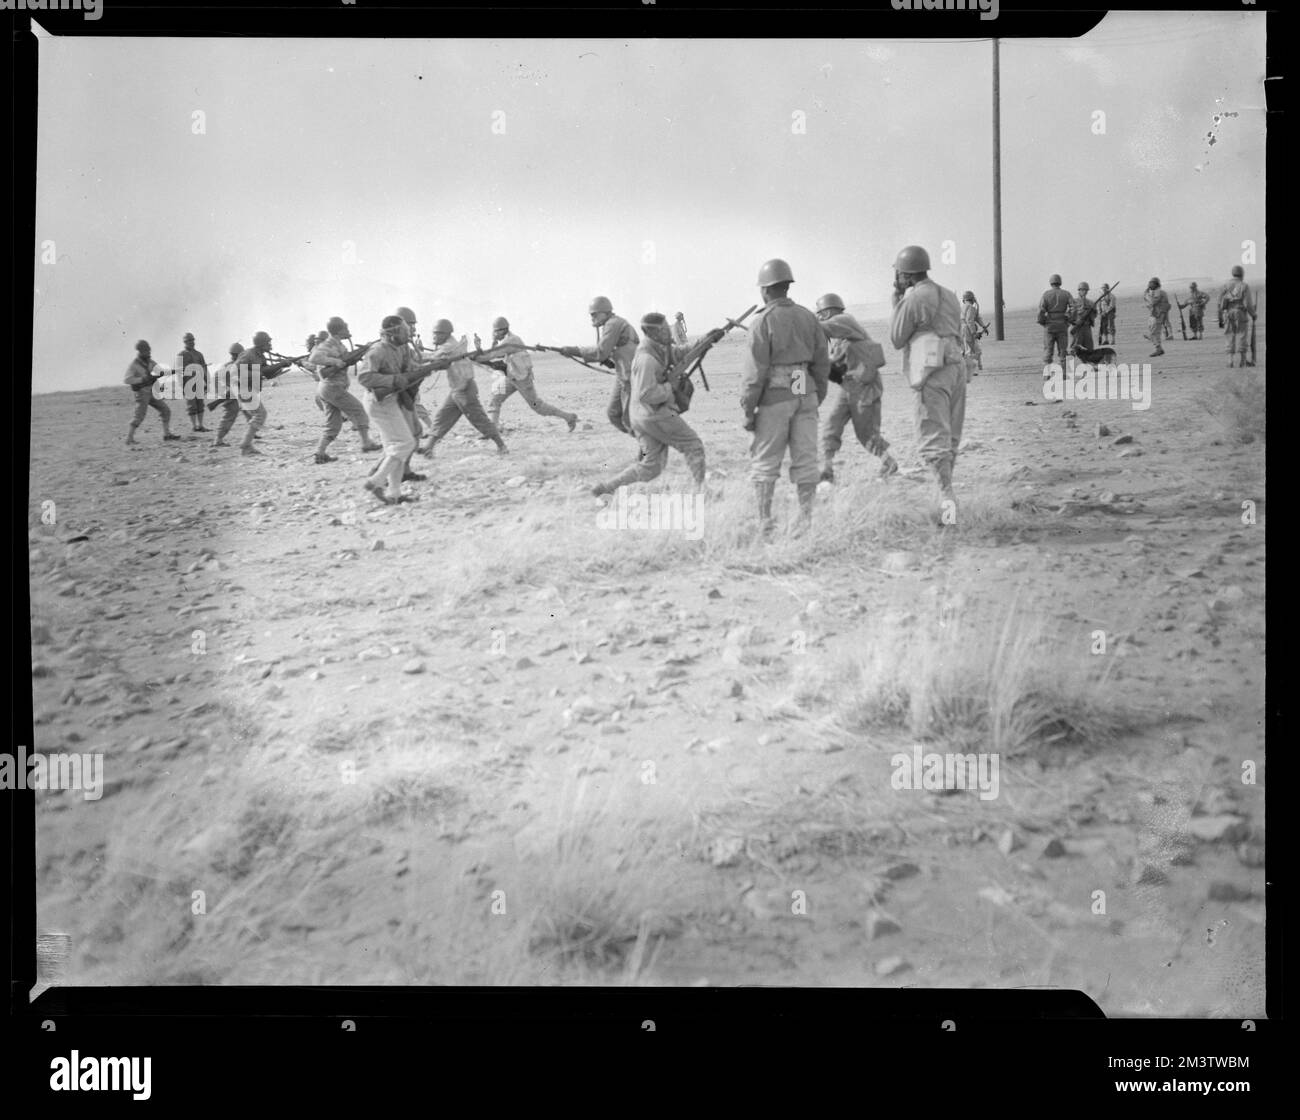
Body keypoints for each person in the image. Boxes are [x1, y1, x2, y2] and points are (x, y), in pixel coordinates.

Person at [741, 258, 830, 536]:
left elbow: (755, 375)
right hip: (804, 388)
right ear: (787, 286)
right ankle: (805, 520)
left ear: (765, 290)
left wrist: (748, 411)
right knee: (805, 458)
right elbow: (821, 363)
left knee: (766, 460)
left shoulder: (762, 322)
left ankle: (765, 522)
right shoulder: (808, 316)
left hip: (775, 396)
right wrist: (814, 397)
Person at [590, 313, 720, 496]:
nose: (669, 330)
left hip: (642, 417)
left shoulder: (658, 348)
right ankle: (702, 491)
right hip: (655, 413)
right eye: (665, 328)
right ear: (654, 332)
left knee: (651, 468)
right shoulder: (646, 359)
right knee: (693, 445)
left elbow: (679, 354)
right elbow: (646, 394)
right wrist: (670, 387)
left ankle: (607, 488)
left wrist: (705, 341)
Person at [889, 244, 966, 526]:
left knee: (933, 438)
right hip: (956, 368)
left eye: (898, 273)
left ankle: (946, 504)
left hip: (932, 371)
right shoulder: (949, 296)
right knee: (950, 437)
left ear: (907, 275)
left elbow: (897, 339)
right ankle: (945, 497)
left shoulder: (914, 298)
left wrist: (896, 302)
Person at [357, 316, 443, 503]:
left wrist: (429, 366)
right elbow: (364, 378)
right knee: (406, 444)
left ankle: (394, 494)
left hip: (392, 399)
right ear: (393, 333)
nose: (408, 333)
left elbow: (410, 367)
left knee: (393, 448)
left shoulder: (402, 348)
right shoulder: (377, 351)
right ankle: (376, 481)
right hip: (378, 402)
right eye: (404, 331)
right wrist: (393, 380)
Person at [814, 292, 897, 482]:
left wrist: (797, 322)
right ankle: (827, 469)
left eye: (820, 313)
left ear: (828, 311)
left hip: (865, 387)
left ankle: (888, 462)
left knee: (865, 432)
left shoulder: (844, 320)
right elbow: (836, 365)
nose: (818, 316)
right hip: (849, 387)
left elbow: (818, 327)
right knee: (831, 426)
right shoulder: (842, 336)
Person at [555, 297, 639, 435]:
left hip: (630, 375)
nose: (592, 318)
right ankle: (646, 445)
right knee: (613, 413)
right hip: (623, 374)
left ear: (604, 312)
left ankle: (648, 449)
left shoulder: (613, 324)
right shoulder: (614, 323)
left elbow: (600, 352)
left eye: (594, 314)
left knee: (629, 419)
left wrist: (573, 351)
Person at [423, 318, 508, 455]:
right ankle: (429, 447)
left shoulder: (449, 346)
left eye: (436, 334)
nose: (434, 337)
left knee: (478, 418)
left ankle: (501, 446)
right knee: (442, 417)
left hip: (464, 389)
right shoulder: (449, 345)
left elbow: (433, 357)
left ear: (445, 334)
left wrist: (417, 356)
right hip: (457, 389)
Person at [307, 316, 383, 463]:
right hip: (332, 387)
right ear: (338, 330)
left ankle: (320, 453)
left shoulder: (339, 345)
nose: (348, 331)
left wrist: (363, 351)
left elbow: (347, 359)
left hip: (327, 389)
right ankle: (366, 443)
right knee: (359, 410)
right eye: (345, 328)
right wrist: (335, 361)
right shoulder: (328, 344)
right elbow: (314, 358)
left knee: (333, 424)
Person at [485, 316, 578, 434]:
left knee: (537, 406)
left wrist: (477, 356)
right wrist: (493, 342)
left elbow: (491, 355)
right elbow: (495, 354)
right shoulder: (506, 341)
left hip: (522, 380)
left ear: (503, 330)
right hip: (512, 376)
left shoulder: (511, 341)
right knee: (495, 399)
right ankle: (493, 430)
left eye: (496, 331)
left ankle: (569, 417)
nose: (494, 333)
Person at [124, 340, 178, 445]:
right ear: (140, 351)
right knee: (139, 416)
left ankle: (167, 434)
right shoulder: (134, 365)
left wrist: (173, 371)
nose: (149, 352)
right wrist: (142, 379)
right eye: (146, 351)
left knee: (165, 410)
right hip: (141, 393)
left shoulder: (150, 362)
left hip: (151, 392)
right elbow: (127, 379)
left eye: (149, 350)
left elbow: (161, 371)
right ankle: (129, 438)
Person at [1218, 265, 1257, 369]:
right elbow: (1248, 304)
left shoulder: (1225, 285)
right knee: (1242, 335)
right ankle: (1242, 361)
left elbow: (1220, 303)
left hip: (1228, 313)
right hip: (1240, 312)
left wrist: (1221, 317)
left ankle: (1230, 361)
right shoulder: (1244, 285)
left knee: (1229, 335)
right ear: (1242, 274)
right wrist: (1253, 314)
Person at [176, 332, 209, 433]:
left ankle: (201, 425)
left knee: (200, 404)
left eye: (192, 340)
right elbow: (179, 372)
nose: (191, 342)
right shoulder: (181, 355)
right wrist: (182, 385)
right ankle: (194, 426)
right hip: (188, 383)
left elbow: (204, 369)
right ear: (184, 342)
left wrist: (206, 382)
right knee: (191, 406)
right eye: (188, 341)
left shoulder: (199, 354)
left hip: (199, 383)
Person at [1037, 274, 1071, 373]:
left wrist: (1043, 322)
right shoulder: (1066, 294)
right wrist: (1068, 320)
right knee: (1063, 350)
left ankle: (1047, 374)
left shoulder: (1046, 294)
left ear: (1051, 282)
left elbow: (1041, 311)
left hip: (1050, 325)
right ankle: (1064, 373)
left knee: (1048, 350)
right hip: (1062, 325)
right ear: (1060, 282)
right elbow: (1074, 308)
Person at [959, 291, 989, 373]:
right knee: (973, 350)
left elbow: (977, 317)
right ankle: (972, 370)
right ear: (972, 298)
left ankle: (978, 366)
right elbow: (970, 320)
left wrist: (983, 326)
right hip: (968, 330)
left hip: (962, 330)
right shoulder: (971, 307)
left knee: (968, 349)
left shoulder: (963, 307)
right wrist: (974, 333)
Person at [1143, 278, 1169, 357]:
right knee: (1154, 333)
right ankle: (1158, 348)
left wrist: (1147, 294)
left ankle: (1158, 349)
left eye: (1151, 283)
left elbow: (1152, 302)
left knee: (1153, 334)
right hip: (1154, 314)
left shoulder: (1159, 293)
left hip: (1158, 315)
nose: (1149, 285)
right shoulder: (1155, 292)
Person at [1068, 282, 1096, 353]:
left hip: (1087, 327)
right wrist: (1074, 321)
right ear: (1079, 290)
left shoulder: (1090, 302)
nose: (1085, 292)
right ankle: (1070, 364)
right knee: (1074, 348)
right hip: (1077, 328)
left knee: (1089, 348)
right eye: (1083, 290)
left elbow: (1095, 314)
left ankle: (1087, 363)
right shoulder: (1073, 302)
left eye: (1086, 290)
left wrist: (1092, 312)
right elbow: (1068, 314)